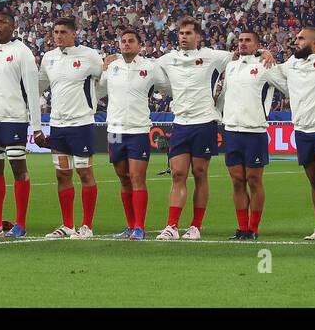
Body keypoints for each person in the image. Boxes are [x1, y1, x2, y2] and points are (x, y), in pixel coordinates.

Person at [153, 17, 233, 240]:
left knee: (199, 174)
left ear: (198, 36)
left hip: (205, 122)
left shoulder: (213, 56)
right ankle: (171, 226)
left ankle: (196, 226)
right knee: (178, 174)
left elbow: (240, 56)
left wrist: (264, 53)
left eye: (188, 33)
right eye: (181, 33)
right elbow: (145, 66)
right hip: (180, 123)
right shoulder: (168, 59)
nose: (184, 37)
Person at [37, 16, 105, 239]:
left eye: (63, 32)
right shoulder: (48, 58)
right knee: (62, 175)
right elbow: (38, 86)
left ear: (74, 33)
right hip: (58, 126)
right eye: (56, 32)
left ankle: (87, 226)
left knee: (85, 172)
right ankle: (67, 225)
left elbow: (103, 80)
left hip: (81, 124)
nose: (58, 36)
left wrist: (93, 103)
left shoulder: (89, 56)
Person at [0, 9, 41, 238]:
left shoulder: (23, 52)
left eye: (2, 22)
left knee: (18, 168)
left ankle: (20, 224)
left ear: (13, 27)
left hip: (14, 119)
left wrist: (36, 126)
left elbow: (32, 91)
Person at [102, 29, 169, 240]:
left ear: (139, 46)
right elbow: (98, 89)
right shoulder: (111, 67)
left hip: (138, 130)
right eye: (123, 41)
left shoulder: (150, 67)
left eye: (131, 41)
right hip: (114, 130)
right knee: (123, 178)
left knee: (137, 177)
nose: (127, 44)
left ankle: (139, 227)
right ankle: (130, 226)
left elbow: (168, 87)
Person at [219, 28, 285, 240]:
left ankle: (254, 228)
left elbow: (286, 85)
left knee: (254, 180)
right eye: (240, 40)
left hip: (254, 130)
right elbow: (224, 95)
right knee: (237, 180)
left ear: (257, 45)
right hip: (231, 130)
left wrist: (271, 56)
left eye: (248, 41)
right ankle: (242, 228)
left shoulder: (265, 66)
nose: (243, 43)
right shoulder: (230, 67)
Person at [275, 27, 315, 240]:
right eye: (296, 38)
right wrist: (265, 55)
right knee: (313, 179)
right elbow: (273, 69)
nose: (296, 41)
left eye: (301, 38)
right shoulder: (291, 63)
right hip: (300, 129)